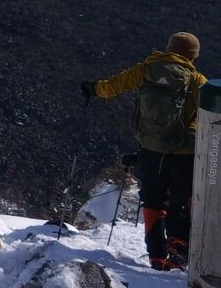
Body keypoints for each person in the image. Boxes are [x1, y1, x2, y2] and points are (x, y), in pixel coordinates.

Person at [81, 32, 206, 271]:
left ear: (169, 48)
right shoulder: (196, 79)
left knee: (152, 200)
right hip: (184, 154)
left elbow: (114, 86)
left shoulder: (147, 69)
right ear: (193, 56)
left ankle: (157, 256)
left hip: (150, 149)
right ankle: (178, 244)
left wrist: (94, 89)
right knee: (181, 200)